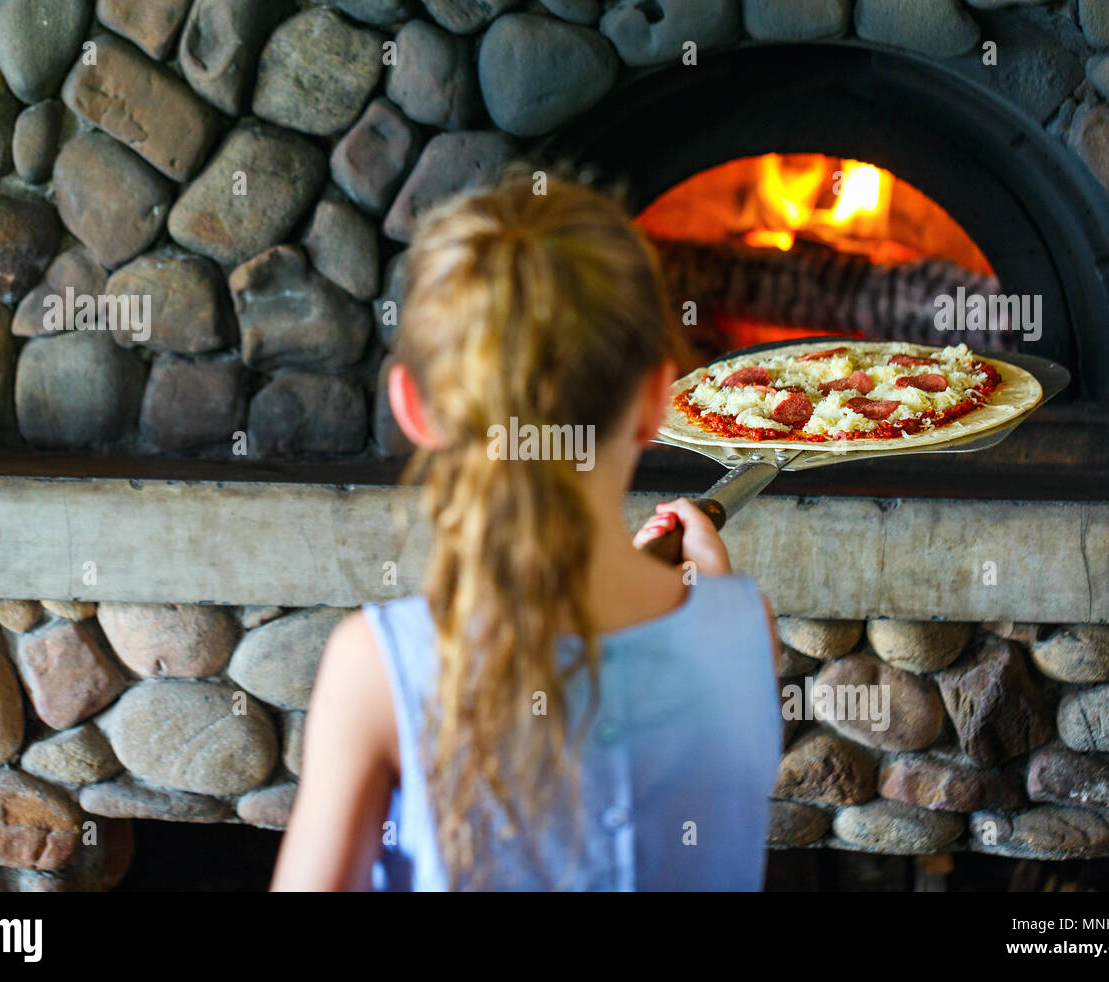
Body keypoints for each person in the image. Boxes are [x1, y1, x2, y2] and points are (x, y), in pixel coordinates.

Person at [271, 174, 783, 891]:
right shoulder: (744, 629)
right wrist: (713, 589)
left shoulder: (377, 669)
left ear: (414, 408)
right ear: (655, 404)